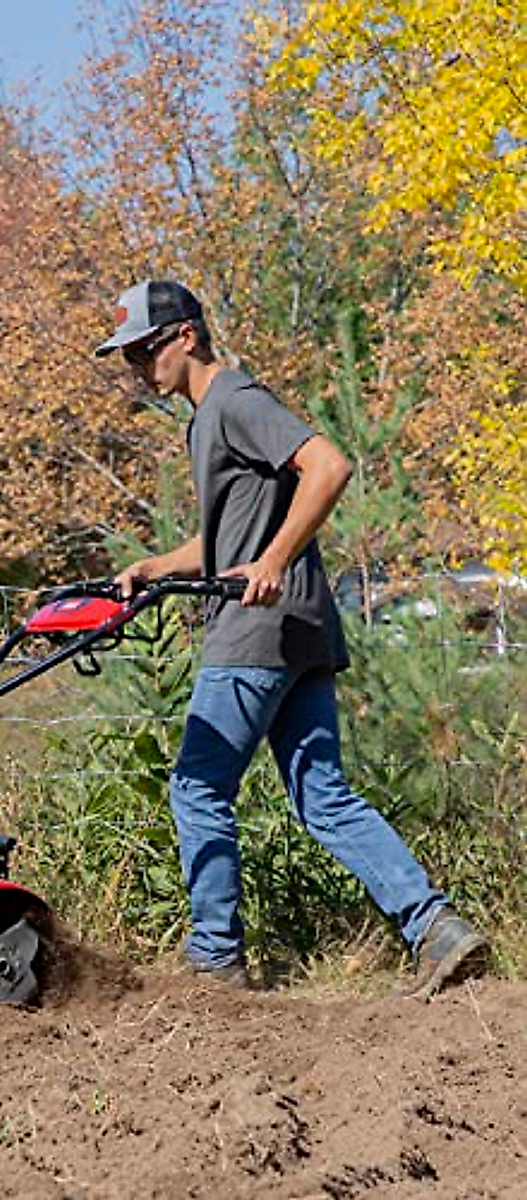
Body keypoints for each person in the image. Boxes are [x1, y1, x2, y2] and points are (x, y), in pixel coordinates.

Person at [95, 278, 488, 998]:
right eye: (126, 357)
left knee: (197, 785)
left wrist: (274, 560)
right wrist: (159, 565)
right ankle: (436, 928)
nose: (137, 367)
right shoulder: (208, 415)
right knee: (323, 798)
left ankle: (214, 957)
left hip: (257, 630)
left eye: (145, 349)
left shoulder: (235, 400)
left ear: (186, 335)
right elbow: (230, 538)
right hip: (300, 629)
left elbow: (329, 466)